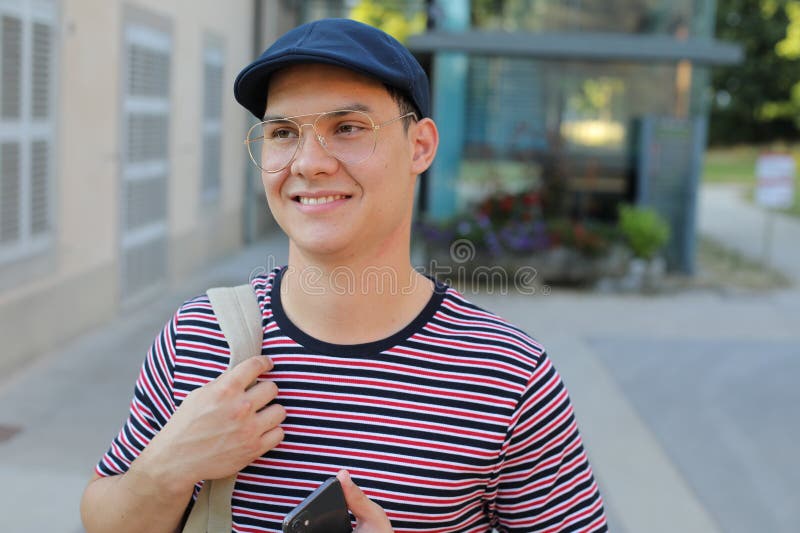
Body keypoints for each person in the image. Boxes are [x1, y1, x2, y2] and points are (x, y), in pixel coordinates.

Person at [80, 18, 607, 533]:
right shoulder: (196, 337)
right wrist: (167, 468)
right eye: (283, 132)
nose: (309, 162)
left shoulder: (508, 376)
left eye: (348, 128)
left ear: (420, 146)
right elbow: (102, 518)